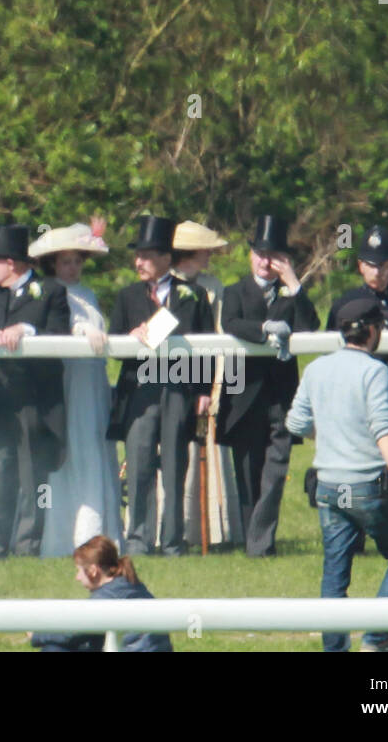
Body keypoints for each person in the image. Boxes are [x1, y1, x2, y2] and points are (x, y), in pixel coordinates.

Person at [286, 296, 388, 652]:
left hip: (328, 486)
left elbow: (296, 422)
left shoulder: (316, 369)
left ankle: (335, 649)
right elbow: (384, 427)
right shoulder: (375, 371)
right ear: (373, 331)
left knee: (335, 573)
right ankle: (375, 639)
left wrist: (328, 430)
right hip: (367, 485)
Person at [107, 216, 214, 557]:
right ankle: (137, 539)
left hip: (178, 390)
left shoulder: (193, 296)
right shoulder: (126, 296)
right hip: (140, 390)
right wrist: (131, 337)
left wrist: (202, 392)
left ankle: (172, 541)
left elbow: (207, 349)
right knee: (138, 465)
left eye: (148, 256)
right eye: (137, 255)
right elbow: (115, 342)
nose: (139, 263)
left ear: (167, 258)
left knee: (174, 466)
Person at [0, 223, 69, 558]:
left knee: (34, 476)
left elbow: (59, 333)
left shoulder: (51, 292)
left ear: (11, 264)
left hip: (35, 400)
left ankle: (28, 546)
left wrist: (25, 329)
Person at [218, 215, 318, 557]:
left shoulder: (291, 295)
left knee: (275, 473)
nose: (265, 261)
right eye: (260, 254)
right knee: (247, 473)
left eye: (273, 256)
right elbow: (230, 322)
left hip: (281, 395)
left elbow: (310, 326)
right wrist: (265, 329)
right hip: (244, 397)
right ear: (250, 256)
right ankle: (253, 541)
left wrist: (294, 283)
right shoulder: (234, 292)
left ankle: (260, 543)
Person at [30, 222, 124, 557]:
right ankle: (73, 535)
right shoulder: (48, 291)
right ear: (54, 263)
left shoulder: (88, 293)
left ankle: (102, 533)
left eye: (77, 261)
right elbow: (54, 325)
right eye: (66, 261)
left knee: (97, 447)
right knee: (75, 449)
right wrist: (79, 328)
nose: (73, 268)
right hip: (68, 378)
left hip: (93, 379)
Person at [325, 224, 388, 509]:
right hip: (357, 398)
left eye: (384, 265)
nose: (377, 272)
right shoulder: (345, 303)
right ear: (360, 266)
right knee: (357, 471)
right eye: (370, 265)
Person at [172, 221, 242, 550]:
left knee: (208, 449)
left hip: (209, 382)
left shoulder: (215, 288)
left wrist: (218, 385)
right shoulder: (166, 286)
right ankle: (175, 528)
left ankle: (213, 530)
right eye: (205, 250)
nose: (210, 255)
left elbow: (222, 340)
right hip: (173, 384)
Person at [29, 534, 173, 653]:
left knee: (53, 649)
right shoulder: (131, 585)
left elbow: (71, 634)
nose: (77, 577)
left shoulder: (106, 597)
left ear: (93, 571)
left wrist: (37, 635)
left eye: (79, 571)